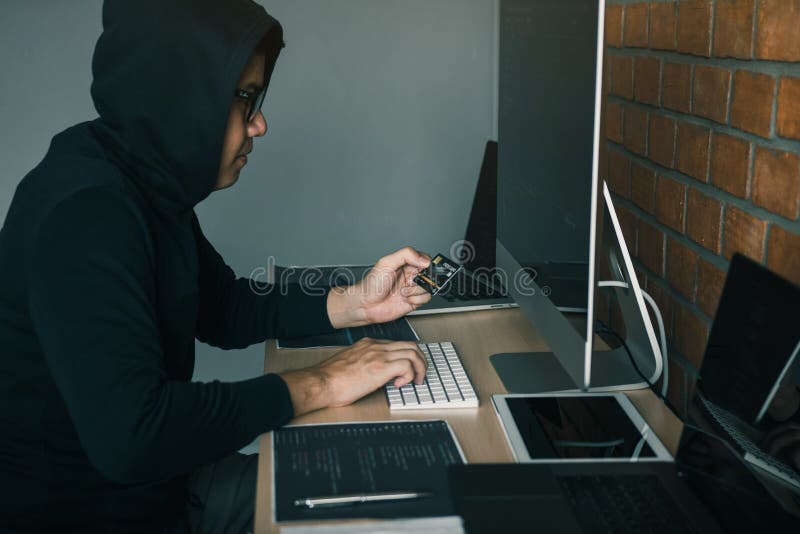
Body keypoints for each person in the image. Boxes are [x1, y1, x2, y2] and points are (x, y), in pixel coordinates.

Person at [0, 1, 432, 532]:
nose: (260, 124)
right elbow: (135, 439)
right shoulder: (88, 212)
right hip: (101, 514)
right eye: (245, 99)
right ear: (180, 97)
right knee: (392, 512)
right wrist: (321, 383)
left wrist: (358, 302)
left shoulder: (139, 173)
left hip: (160, 487)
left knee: (402, 489)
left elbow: (221, 308)